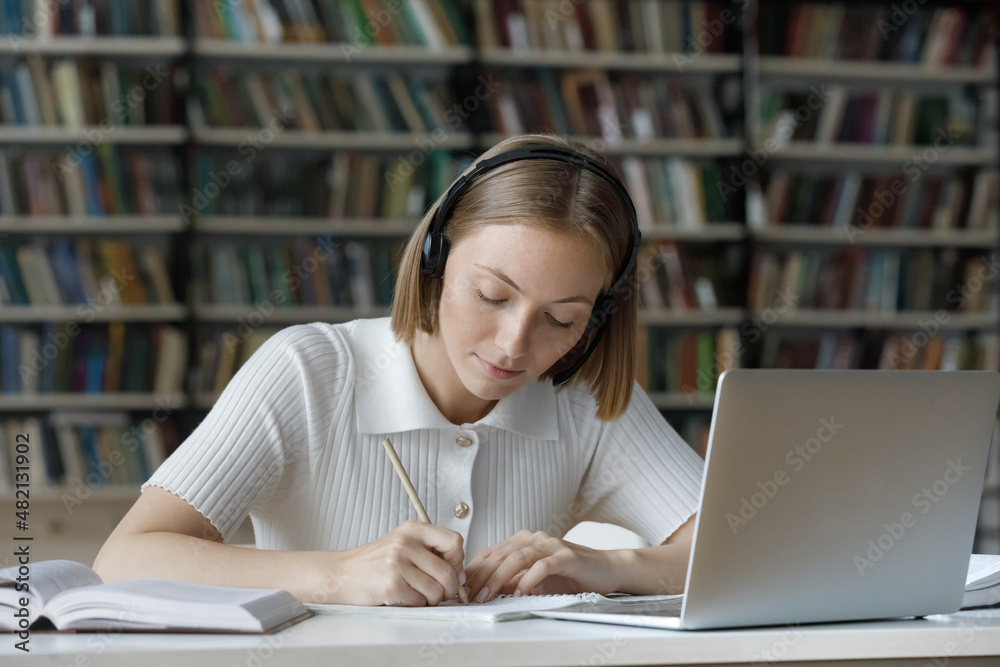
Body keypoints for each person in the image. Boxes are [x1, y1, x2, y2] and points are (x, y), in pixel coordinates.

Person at [93, 133, 704, 607]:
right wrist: (337, 575)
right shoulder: (308, 371)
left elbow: (743, 548)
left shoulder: (584, 397)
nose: (515, 345)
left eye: (562, 319)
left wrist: (615, 569)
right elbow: (123, 560)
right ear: (434, 261)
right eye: (492, 296)